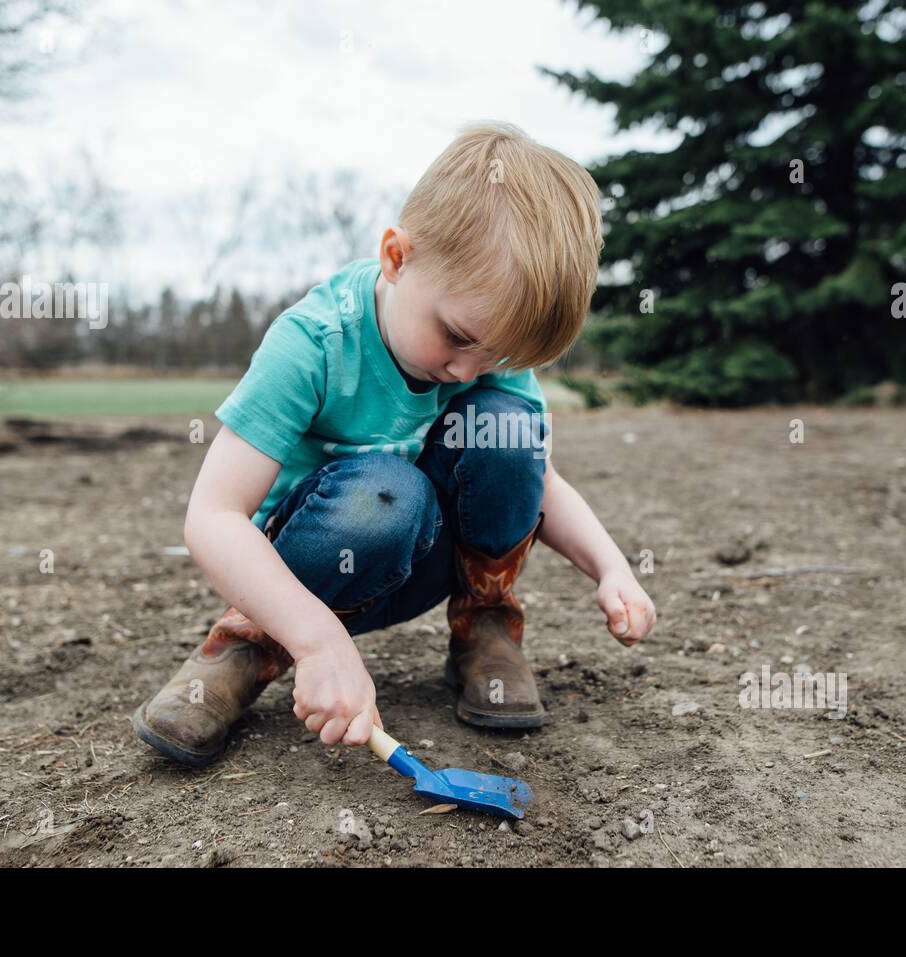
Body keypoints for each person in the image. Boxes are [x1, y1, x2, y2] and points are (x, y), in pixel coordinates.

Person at [132, 121, 657, 768]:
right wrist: (318, 641)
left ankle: (485, 622)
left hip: (427, 558)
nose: (469, 370)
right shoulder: (314, 342)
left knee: (507, 426)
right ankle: (249, 643)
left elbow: (537, 478)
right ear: (396, 257)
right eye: (459, 337)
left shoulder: (483, 356)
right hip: (310, 572)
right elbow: (211, 517)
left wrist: (611, 568)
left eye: (498, 353)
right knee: (386, 492)